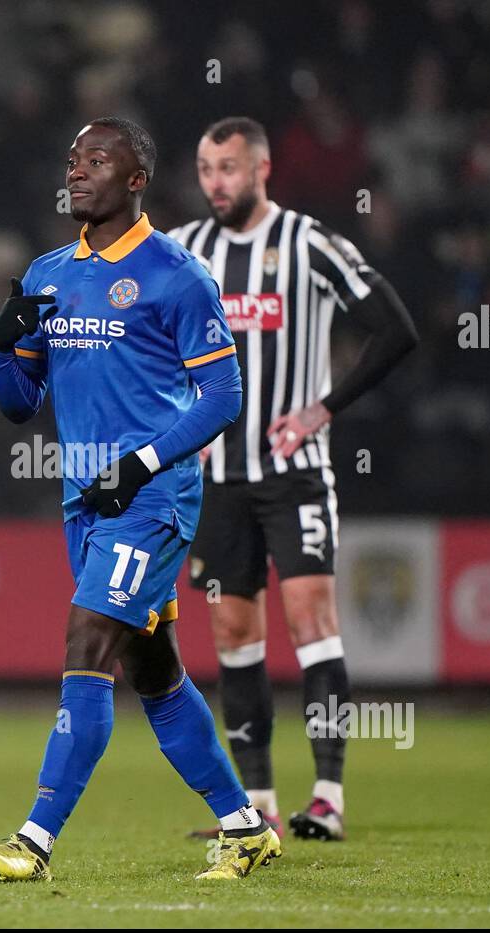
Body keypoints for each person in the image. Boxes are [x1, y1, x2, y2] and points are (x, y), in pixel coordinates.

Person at [0, 117, 280, 881]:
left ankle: (33, 841)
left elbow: (222, 397)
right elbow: (16, 403)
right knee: (157, 675)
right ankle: (245, 826)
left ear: (136, 179)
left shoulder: (176, 274)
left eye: (97, 160)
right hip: (84, 501)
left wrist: (140, 463)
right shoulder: (47, 273)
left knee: (87, 642)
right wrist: (0, 346)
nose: (78, 172)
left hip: (153, 497)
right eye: (73, 159)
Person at [168, 117, 419, 842]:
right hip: (218, 480)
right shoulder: (188, 252)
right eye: (206, 169)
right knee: (234, 632)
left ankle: (329, 799)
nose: (216, 183)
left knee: (311, 620)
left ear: (262, 169)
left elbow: (395, 327)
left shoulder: (310, 243)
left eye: (228, 169)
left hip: (294, 475)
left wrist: (324, 408)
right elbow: (151, 348)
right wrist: (186, 424)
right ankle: (257, 808)